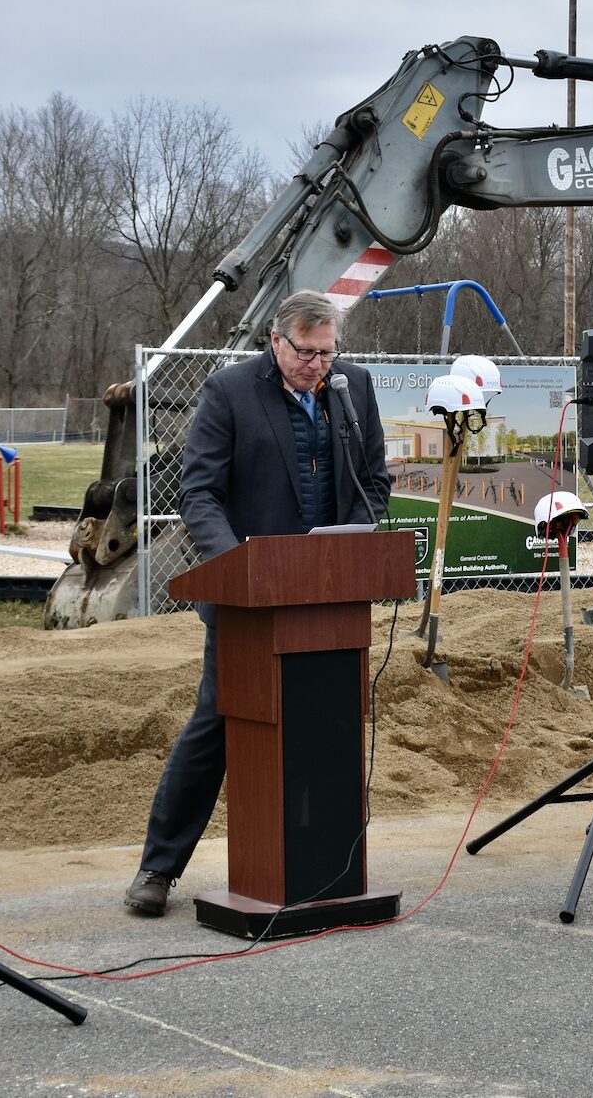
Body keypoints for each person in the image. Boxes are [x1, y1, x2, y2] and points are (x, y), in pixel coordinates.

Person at [125, 290, 391, 916]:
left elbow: (373, 481)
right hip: (249, 604)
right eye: (306, 353)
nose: (318, 366)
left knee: (326, 729)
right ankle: (158, 868)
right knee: (215, 726)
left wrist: (351, 541)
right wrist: (237, 570)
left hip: (329, 599)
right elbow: (199, 494)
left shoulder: (353, 386)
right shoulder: (230, 392)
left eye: (328, 353)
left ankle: (320, 869)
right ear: (277, 342)